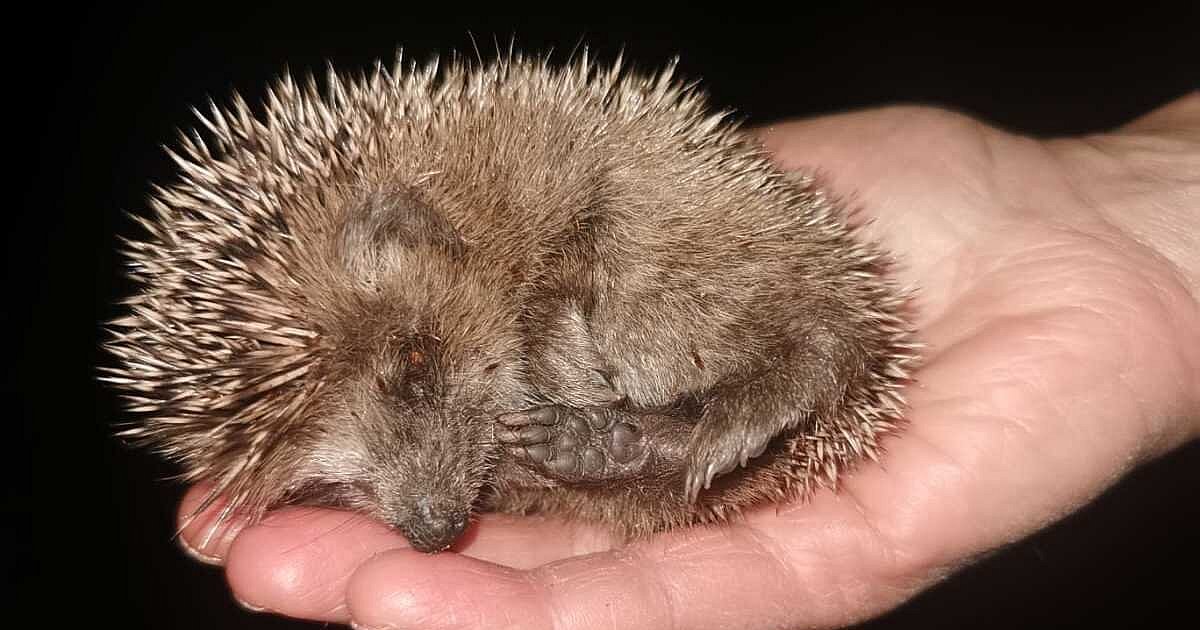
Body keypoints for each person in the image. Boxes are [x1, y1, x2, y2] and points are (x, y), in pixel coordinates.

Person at [175, 93, 1199, 629]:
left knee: (773, 324)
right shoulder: (438, 332)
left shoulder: (511, 170)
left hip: (739, 312)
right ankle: (662, 449)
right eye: (354, 478)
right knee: (586, 463)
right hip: (656, 428)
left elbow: (573, 212)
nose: (429, 517)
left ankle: (706, 420)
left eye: (410, 378)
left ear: (403, 235)